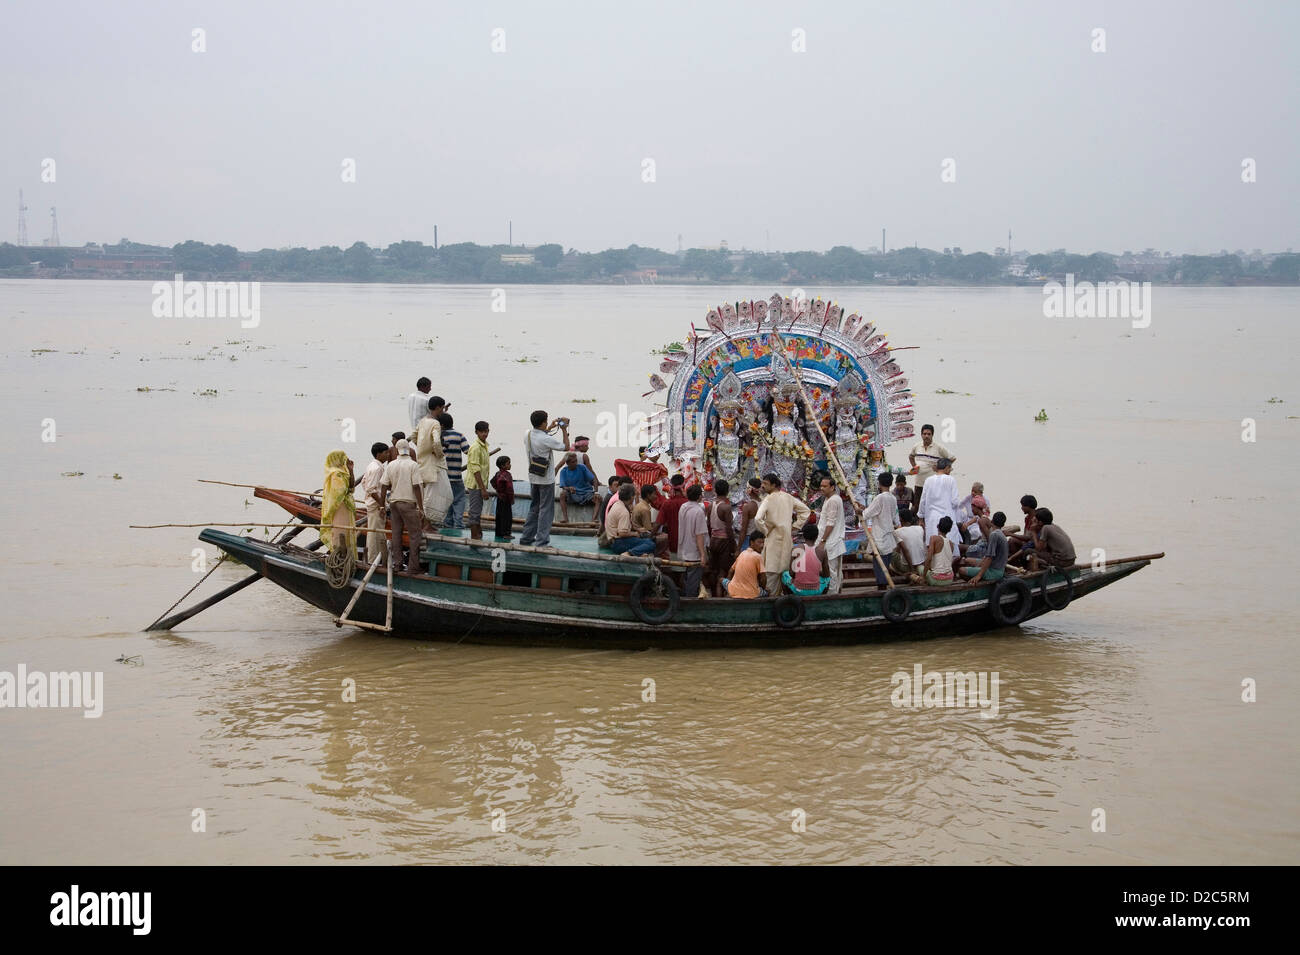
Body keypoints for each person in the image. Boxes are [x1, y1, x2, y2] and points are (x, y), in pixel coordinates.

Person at [519, 410, 570, 548]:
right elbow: (566, 447)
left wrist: (549, 428)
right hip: (546, 479)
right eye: (546, 421)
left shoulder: (527, 434)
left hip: (533, 477)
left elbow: (540, 435)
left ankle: (526, 537)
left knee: (534, 508)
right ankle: (542, 541)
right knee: (546, 510)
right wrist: (564, 430)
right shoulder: (546, 439)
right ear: (543, 422)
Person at [755, 472, 811, 595]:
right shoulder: (788, 497)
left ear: (774, 485)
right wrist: (794, 527)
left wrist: (766, 531)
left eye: (765, 483)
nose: (762, 486)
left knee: (771, 578)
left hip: (772, 541)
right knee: (785, 577)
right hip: (786, 540)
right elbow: (806, 511)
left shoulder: (768, 499)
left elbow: (757, 519)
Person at [378, 439, 423, 572]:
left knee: (396, 534)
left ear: (397, 450)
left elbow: (384, 486)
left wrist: (381, 506)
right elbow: (416, 487)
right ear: (408, 449)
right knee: (415, 534)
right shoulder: (413, 465)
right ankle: (413, 566)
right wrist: (421, 507)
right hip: (408, 503)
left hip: (394, 503)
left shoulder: (391, 465)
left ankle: (398, 563)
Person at [415, 396, 452, 532]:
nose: (443, 410)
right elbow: (436, 442)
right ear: (437, 408)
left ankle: (426, 523)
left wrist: (422, 448)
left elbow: (414, 436)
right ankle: (426, 523)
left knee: (427, 494)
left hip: (423, 462)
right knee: (444, 493)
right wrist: (439, 454)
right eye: (442, 408)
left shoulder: (423, 421)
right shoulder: (435, 423)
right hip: (434, 464)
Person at [861, 471, 900, 589]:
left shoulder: (880, 498)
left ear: (879, 483)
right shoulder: (892, 498)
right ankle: (883, 586)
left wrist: (860, 512)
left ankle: (882, 588)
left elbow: (866, 514)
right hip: (888, 535)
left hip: (880, 535)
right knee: (885, 564)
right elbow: (896, 519)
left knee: (879, 565)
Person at [920, 458, 962, 559]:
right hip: (947, 519)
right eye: (950, 468)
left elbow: (923, 501)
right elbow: (955, 501)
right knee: (951, 550)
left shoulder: (928, 480)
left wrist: (921, 517)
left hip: (932, 519)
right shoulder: (951, 480)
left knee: (933, 549)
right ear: (947, 468)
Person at [815, 474, 849, 594]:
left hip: (831, 541)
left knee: (831, 570)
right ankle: (834, 592)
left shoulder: (834, 500)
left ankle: (832, 595)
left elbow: (830, 523)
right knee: (833, 570)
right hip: (831, 540)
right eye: (821, 486)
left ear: (832, 487)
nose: (822, 488)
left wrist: (822, 541)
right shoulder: (830, 498)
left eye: (825, 486)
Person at [908, 424, 955, 509]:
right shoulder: (917, 446)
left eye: (929, 434)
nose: (926, 436)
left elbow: (952, 458)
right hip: (919, 483)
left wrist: (941, 469)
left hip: (934, 484)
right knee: (918, 506)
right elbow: (911, 456)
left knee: (932, 506)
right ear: (921, 435)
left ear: (932, 435)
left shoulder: (938, 448)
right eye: (924, 434)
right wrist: (915, 467)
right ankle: (920, 521)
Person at [320, 450, 357, 556]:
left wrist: (351, 470)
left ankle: (348, 556)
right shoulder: (335, 473)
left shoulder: (344, 472)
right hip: (339, 506)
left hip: (346, 506)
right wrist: (346, 491)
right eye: (343, 457)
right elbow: (339, 491)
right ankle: (338, 555)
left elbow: (350, 487)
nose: (346, 459)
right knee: (340, 530)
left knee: (347, 531)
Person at [360, 442, 391, 563]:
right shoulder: (377, 468)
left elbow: (364, 483)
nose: (388, 455)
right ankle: (373, 560)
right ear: (379, 454)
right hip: (376, 505)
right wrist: (382, 504)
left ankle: (376, 558)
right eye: (386, 453)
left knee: (375, 533)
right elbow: (371, 489)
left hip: (373, 504)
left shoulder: (372, 466)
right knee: (375, 534)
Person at [705, 479, 736, 597]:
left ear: (715, 491)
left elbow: (708, 526)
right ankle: (719, 596)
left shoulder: (711, 505)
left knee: (713, 569)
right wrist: (734, 546)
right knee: (723, 570)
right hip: (724, 542)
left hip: (713, 540)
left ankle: (713, 594)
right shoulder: (726, 508)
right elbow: (729, 530)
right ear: (727, 491)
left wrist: (710, 539)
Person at [678, 484, 709, 599]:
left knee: (688, 577)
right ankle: (689, 601)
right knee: (693, 580)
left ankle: (686, 598)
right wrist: (702, 554)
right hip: (694, 551)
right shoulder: (698, 511)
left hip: (684, 547)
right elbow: (699, 535)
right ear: (699, 496)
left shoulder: (683, 507)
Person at [606, 483, 656, 555]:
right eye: (634, 496)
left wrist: (638, 530)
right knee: (651, 544)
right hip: (618, 543)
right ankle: (629, 553)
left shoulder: (617, 504)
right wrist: (635, 534)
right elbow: (622, 533)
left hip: (613, 540)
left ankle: (635, 552)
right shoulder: (623, 511)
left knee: (646, 540)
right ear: (631, 497)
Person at [960, 511, 1009, 584]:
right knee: (967, 560)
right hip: (995, 566)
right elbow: (988, 557)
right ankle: (978, 575)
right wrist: (981, 563)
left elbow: (990, 557)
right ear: (1003, 524)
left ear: (992, 521)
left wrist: (979, 575)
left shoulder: (994, 535)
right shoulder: (1001, 534)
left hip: (995, 571)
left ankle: (977, 581)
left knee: (961, 570)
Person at [439, 413, 468, 529]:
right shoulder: (459, 435)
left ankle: (448, 522)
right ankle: (458, 523)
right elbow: (467, 451)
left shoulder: (439, 437)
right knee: (459, 499)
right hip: (456, 475)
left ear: (441, 425)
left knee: (447, 500)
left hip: (443, 477)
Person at [465, 421, 492, 540]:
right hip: (476, 484)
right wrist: (483, 489)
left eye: (486, 431)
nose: (484, 434)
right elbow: (476, 470)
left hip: (480, 484)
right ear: (476, 432)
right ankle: (474, 536)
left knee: (477, 510)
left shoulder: (484, 445)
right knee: (475, 512)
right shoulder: (476, 448)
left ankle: (478, 533)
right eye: (482, 432)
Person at [556, 451, 598, 523]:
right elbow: (563, 486)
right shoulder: (563, 471)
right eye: (573, 462)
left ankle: (593, 519)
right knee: (562, 494)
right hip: (573, 494)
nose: (575, 463)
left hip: (586, 493)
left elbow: (593, 479)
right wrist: (569, 488)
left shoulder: (582, 467)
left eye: (576, 461)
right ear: (567, 463)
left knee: (598, 498)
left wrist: (596, 491)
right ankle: (566, 519)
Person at [724, 531, 766, 598]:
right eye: (759, 542)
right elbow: (763, 579)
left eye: (763, 542)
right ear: (752, 542)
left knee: (721, 580)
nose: (762, 545)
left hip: (733, 591)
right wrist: (763, 588)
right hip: (752, 593)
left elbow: (730, 571)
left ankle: (726, 594)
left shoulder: (742, 553)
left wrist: (728, 589)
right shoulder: (758, 556)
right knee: (768, 591)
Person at [655, 474, 688, 558]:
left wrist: (650, 536)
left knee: (675, 567)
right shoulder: (689, 503)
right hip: (689, 543)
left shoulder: (667, 503)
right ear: (684, 485)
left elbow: (658, 522)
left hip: (673, 542)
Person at [786, 523, 825, 594]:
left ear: (803, 536)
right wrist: (816, 572)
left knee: (784, 575)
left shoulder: (796, 548)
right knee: (828, 579)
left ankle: (789, 597)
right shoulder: (822, 551)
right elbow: (826, 574)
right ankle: (822, 597)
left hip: (798, 590)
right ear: (817, 536)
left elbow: (791, 573)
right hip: (816, 591)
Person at [890, 508, 928, 583]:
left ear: (900, 519)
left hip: (908, 567)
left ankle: (907, 571)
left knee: (892, 552)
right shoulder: (920, 528)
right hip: (921, 564)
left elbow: (905, 550)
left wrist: (912, 570)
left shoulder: (897, 532)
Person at [632, 483, 669, 557]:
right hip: (641, 534)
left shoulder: (640, 505)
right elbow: (649, 529)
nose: (656, 496)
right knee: (666, 537)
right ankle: (657, 554)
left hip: (638, 530)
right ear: (648, 495)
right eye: (654, 494)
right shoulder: (645, 509)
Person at [1007, 494, 1040, 565]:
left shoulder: (1036, 519)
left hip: (1034, 543)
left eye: (1023, 506)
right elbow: (1025, 535)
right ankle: (1016, 562)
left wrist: (1010, 534)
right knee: (1010, 541)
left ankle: (1017, 564)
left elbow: (1028, 538)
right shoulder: (1027, 518)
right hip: (1028, 542)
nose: (1022, 508)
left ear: (1029, 506)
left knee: (1012, 540)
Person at [925, 515, 957, 586]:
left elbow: (929, 559)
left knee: (920, 568)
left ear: (937, 526)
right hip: (949, 579)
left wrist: (923, 576)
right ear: (949, 530)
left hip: (936, 580)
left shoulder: (933, 538)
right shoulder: (951, 544)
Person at [491, 456, 515, 542]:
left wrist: (498, 490)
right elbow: (509, 488)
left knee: (499, 516)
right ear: (503, 466)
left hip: (500, 498)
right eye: (508, 463)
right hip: (506, 499)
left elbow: (492, 481)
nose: (510, 465)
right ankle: (506, 534)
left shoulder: (498, 474)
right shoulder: (507, 475)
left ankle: (498, 532)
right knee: (507, 516)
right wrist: (511, 499)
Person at [737, 477, 763, 551]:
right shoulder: (764, 503)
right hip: (761, 539)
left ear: (749, 490)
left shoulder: (748, 506)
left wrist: (738, 548)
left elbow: (743, 529)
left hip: (750, 540)